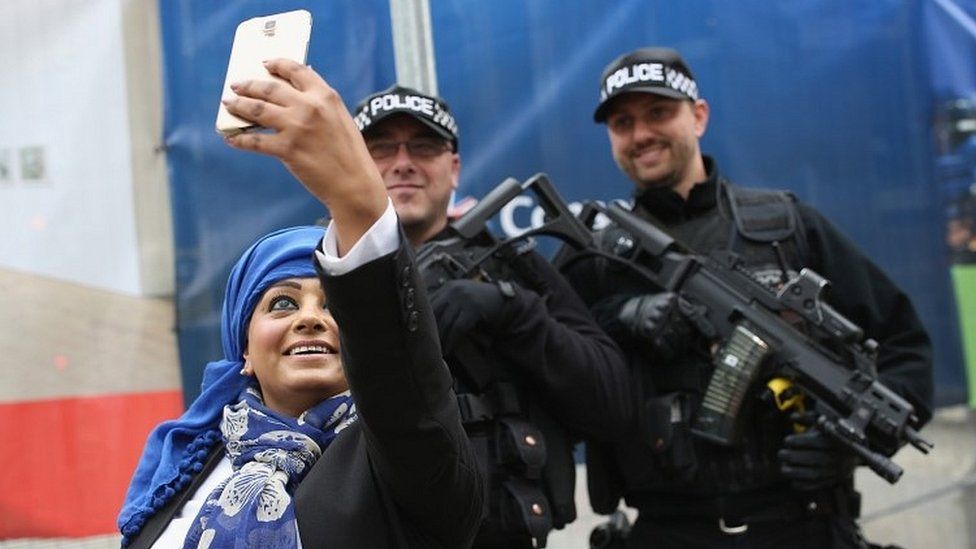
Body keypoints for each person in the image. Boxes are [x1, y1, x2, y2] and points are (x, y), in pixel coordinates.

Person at [563, 47, 935, 548]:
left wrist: (852, 442)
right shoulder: (598, 254)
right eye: (622, 123)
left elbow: (903, 345)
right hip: (667, 530)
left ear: (698, 116)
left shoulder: (785, 226)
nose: (641, 134)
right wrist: (620, 315)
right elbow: (547, 354)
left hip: (800, 525)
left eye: (658, 113)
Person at [118, 59, 485, 549]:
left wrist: (356, 200)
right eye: (282, 304)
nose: (310, 318)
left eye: (333, 304)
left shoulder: (405, 459)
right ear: (243, 348)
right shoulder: (184, 463)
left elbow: (397, 369)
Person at [349, 84, 635, 548]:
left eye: (423, 146)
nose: (402, 162)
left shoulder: (508, 264)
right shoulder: (318, 271)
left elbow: (613, 404)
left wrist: (513, 312)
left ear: (455, 167)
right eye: (381, 148)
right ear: (356, 164)